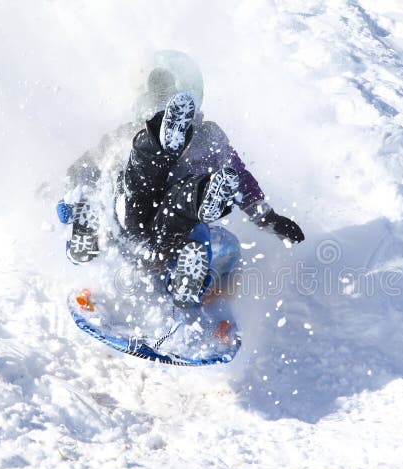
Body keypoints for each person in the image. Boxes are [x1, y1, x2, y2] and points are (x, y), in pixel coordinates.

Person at [57, 57, 304, 306]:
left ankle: (185, 277)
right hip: (135, 221)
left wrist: (268, 217)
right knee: (145, 178)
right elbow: (89, 165)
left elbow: (237, 178)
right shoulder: (132, 132)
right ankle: (90, 236)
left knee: (185, 202)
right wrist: (67, 191)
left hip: (162, 237)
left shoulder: (208, 136)